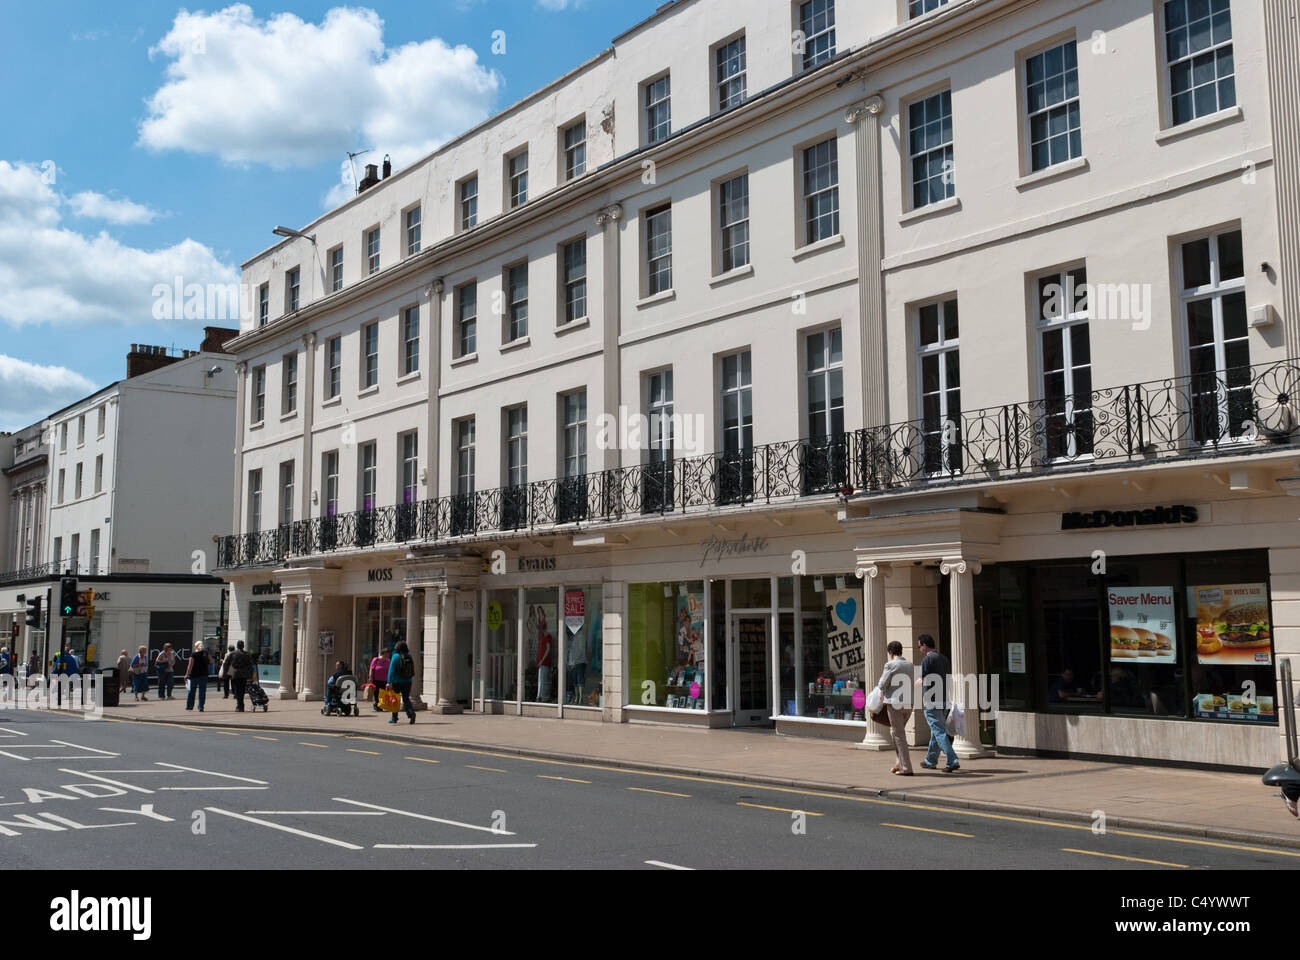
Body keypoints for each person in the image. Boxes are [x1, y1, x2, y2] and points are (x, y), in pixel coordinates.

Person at [917, 635, 960, 773]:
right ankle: (931, 760)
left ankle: (952, 760)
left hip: (931, 700)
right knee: (936, 731)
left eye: (919, 646)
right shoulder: (944, 658)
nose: (919, 649)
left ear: (924, 645)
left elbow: (924, 680)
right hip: (943, 700)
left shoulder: (927, 659)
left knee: (939, 732)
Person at [874, 640, 915, 776]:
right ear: (901, 651)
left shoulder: (890, 665)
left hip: (895, 703)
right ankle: (899, 763)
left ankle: (907, 768)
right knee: (897, 733)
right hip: (909, 703)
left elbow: (882, 684)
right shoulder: (909, 665)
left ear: (890, 653)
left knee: (899, 735)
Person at [386, 640, 416, 724]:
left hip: (396, 681)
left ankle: (394, 718)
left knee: (395, 699)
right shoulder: (409, 656)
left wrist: (388, 681)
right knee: (406, 698)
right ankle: (411, 713)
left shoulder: (395, 656)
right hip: (408, 681)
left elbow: (391, 670)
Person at [228, 640, 255, 712]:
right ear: (243, 646)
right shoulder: (247, 654)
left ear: (237, 646)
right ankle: (240, 705)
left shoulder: (233, 654)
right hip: (244, 674)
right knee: (242, 690)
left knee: (237, 690)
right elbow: (251, 665)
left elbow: (226, 663)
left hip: (236, 673)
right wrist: (251, 674)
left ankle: (239, 705)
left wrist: (224, 673)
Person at [184, 641, 210, 712]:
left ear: (195, 646)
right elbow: (210, 661)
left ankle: (189, 706)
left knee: (191, 692)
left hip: (193, 676)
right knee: (202, 692)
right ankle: (200, 707)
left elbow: (190, 666)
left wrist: (186, 674)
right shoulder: (205, 653)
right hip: (204, 675)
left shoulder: (193, 654)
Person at [537, 614, 555, 702]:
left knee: (542, 680)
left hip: (544, 662)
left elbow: (548, 650)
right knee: (542, 679)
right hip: (542, 662)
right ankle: (541, 696)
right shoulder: (543, 637)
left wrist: (541, 660)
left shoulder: (548, 637)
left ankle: (540, 697)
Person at [369, 646, 390, 712]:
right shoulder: (376, 659)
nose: (387, 655)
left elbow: (390, 670)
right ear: (383, 653)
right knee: (376, 693)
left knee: (383, 693)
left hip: (384, 680)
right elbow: (371, 669)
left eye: (388, 654)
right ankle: (377, 705)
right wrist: (370, 677)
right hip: (376, 679)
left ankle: (380, 705)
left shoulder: (388, 661)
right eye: (386, 653)